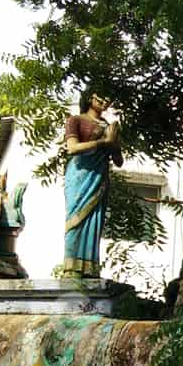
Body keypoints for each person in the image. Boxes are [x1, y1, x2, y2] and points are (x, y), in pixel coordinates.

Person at [62, 90, 123, 278]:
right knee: (76, 218)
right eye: (101, 97)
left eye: (108, 98)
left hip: (99, 176)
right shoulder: (76, 120)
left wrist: (113, 143)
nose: (105, 101)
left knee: (94, 219)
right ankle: (71, 268)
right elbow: (72, 148)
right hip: (80, 175)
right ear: (90, 98)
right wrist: (104, 141)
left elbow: (119, 160)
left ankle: (89, 267)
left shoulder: (109, 126)